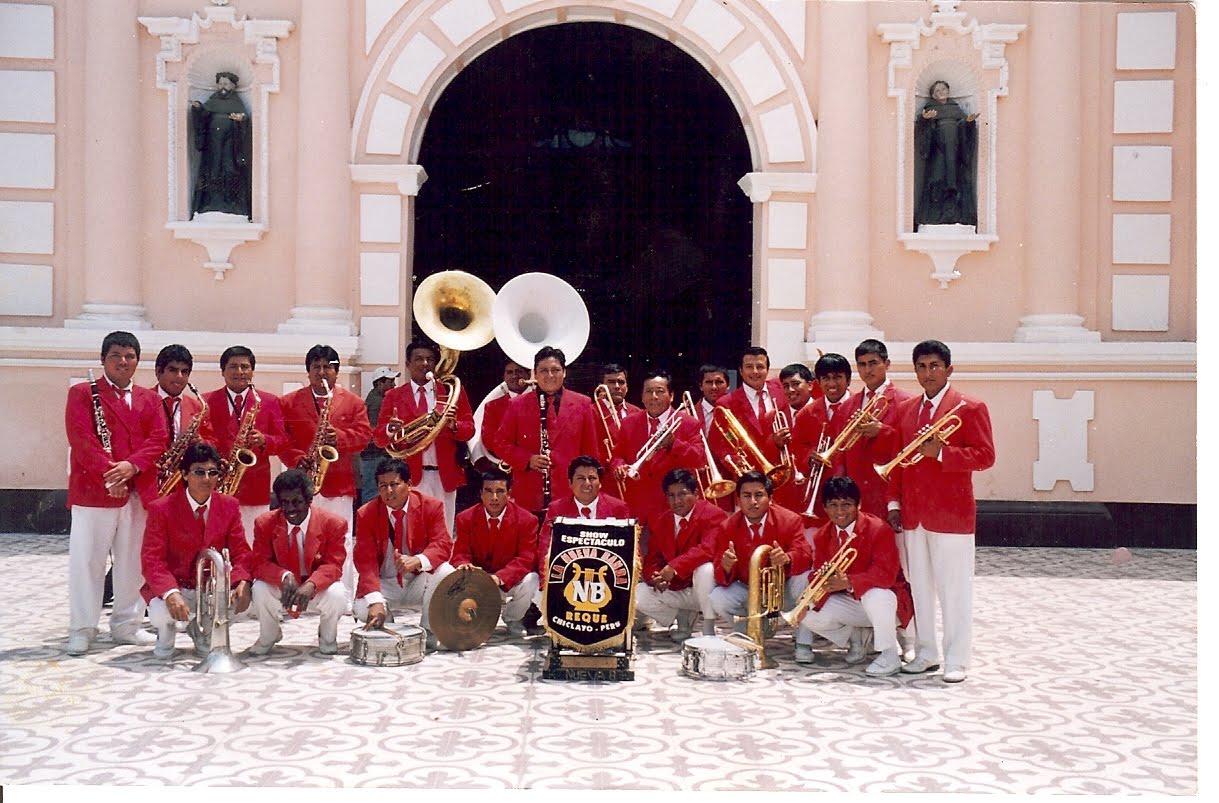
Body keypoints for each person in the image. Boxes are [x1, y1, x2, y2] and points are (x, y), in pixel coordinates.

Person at [886, 340, 995, 683]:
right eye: (922, 366)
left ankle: (957, 658)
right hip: (915, 513)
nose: (928, 373)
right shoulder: (906, 410)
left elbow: (985, 456)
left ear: (949, 369)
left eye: (935, 366)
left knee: (954, 588)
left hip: (951, 515)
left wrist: (943, 454)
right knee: (920, 587)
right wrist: (894, 503)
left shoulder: (970, 407)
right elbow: (898, 463)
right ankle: (927, 651)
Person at [64, 331, 169, 654]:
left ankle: (126, 624)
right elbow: (80, 438)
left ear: (137, 361)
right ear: (102, 360)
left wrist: (132, 467)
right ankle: (82, 627)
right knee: (88, 560)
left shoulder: (149, 398)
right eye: (115, 356)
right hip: (96, 489)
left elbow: (159, 438)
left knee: (133, 560)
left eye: (129, 356)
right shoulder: (82, 393)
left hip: (138, 489)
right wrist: (111, 471)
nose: (123, 362)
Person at [140, 442, 252, 659]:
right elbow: (152, 559)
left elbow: (242, 552)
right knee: (162, 613)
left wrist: (242, 582)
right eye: (199, 472)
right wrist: (170, 593)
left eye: (213, 472)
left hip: (209, 590)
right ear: (184, 474)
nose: (207, 479)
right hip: (177, 588)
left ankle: (202, 630)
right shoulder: (161, 508)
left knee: (241, 602)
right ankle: (167, 632)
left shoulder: (229, 506)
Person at [280, 345, 372, 608]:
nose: (322, 372)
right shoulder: (288, 402)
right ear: (308, 371)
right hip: (300, 487)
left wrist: (339, 438)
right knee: (298, 539)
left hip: (338, 486)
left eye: (328, 367)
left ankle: (340, 600)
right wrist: (297, 458)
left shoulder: (353, 403)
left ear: (337, 371)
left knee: (340, 543)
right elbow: (283, 441)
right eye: (316, 367)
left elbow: (365, 437)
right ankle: (295, 596)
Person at [793, 477, 913, 676]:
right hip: (854, 604)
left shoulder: (879, 528)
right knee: (807, 615)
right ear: (824, 508)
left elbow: (886, 575)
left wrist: (848, 581)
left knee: (876, 595)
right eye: (833, 505)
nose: (840, 512)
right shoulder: (822, 535)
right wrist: (825, 582)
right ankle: (856, 638)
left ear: (859, 505)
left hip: (889, 604)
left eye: (846, 504)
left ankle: (889, 654)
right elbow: (818, 572)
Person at [842, 339, 916, 658]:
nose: (868, 370)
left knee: (900, 571)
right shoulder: (852, 402)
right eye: (862, 364)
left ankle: (910, 635)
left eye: (873, 363)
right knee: (861, 566)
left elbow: (911, 446)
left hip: (889, 498)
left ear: (887, 363)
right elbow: (843, 450)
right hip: (859, 500)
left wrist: (882, 431)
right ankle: (868, 636)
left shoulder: (904, 400)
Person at [352, 457, 455, 650]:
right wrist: (375, 601)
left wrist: (418, 560)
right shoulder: (366, 513)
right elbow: (365, 562)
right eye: (383, 486)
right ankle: (388, 632)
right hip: (386, 583)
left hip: (418, 581)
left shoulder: (431, 506)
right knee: (360, 608)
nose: (388, 491)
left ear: (409, 484)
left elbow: (443, 544)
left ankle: (429, 630)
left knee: (445, 571)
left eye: (394, 484)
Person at [372, 339, 474, 534]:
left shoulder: (449, 392)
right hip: (410, 475)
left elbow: (469, 428)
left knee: (443, 530)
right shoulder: (394, 395)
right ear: (408, 363)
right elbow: (378, 438)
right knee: (413, 531)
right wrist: (390, 430)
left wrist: (454, 426)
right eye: (418, 359)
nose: (424, 364)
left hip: (444, 475)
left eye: (429, 359)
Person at [248, 470, 349, 655]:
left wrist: (312, 584)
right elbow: (259, 563)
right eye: (284, 502)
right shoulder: (264, 523)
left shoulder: (334, 523)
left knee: (337, 594)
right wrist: (283, 576)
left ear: (310, 500)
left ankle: (327, 636)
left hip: (315, 586)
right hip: (285, 586)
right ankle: (269, 634)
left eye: (297, 502)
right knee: (259, 588)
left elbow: (334, 565)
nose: (290, 509)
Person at [488, 346, 598, 516]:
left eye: (555, 370)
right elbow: (500, 443)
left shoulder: (583, 403)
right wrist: (527, 459)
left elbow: (591, 451)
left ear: (564, 372)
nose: (550, 376)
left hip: (571, 493)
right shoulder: (516, 405)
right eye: (544, 371)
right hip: (530, 493)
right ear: (535, 374)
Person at [199, 346, 289, 541]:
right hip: (216, 486)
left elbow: (283, 442)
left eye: (244, 367)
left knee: (253, 545)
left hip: (254, 490)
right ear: (222, 371)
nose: (239, 372)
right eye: (233, 366)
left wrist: (265, 440)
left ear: (252, 371)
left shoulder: (269, 401)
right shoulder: (205, 402)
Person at [708, 471, 810, 629]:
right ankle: (751, 635)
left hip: (783, 590)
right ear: (739, 500)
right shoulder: (727, 527)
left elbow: (805, 555)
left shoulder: (790, 520)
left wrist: (788, 558)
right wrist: (726, 567)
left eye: (759, 495)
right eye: (747, 496)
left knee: (806, 579)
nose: (753, 501)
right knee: (718, 598)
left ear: (770, 499)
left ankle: (802, 643)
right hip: (750, 590)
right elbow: (719, 573)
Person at [636, 469, 726, 641]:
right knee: (638, 595)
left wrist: (674, 567)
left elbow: (707, 549)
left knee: (706, 569)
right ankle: (682, 617)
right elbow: (652, 558)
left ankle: (708, 627)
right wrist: (654, 576)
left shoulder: (713, 514)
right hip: (677, 590)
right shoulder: (663, 520)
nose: (677, 501)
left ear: (696, 493)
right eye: (671, 496)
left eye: (682, 494)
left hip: (708, 591)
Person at [450, 469, 540, 638]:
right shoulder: (465, 518)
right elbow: (460, 553)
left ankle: (513, 618)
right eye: (489, 491)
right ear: (481, 493)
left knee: (532, 580)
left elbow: (526, 559)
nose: (494, 498)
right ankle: (475, 618)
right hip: (478, 579)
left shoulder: (527, 519)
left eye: (500, 491)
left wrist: (500, 577)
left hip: (507, 580)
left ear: (509, 493)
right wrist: (464, 565)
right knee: (452, 574)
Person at [610, 369, 702, 523]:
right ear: (642, 397)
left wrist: (674, 444)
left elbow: (699, 459)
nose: (654, 397)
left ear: (671, 396)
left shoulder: (688, 423)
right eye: (649, 391)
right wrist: (619, 466)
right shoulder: (628, 423)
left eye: (659, 391)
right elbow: (617, 456)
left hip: (673, 509)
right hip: (638, 506)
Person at [708, 347, 790, 493]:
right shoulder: (726, 403)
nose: (755, 372)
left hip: (784, 475)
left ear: (767, 369)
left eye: (760, 367)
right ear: (740, 371)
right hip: (749, 477)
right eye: (749, 367)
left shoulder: (782, 390)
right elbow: (719, 443)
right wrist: (735, 462)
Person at [790, 353, 854, 525]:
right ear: (818, 382)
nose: (832, 384)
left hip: (855, 493)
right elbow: (797, 446)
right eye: (826, 378)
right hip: (821, 497)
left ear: (848, 380)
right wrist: (810, 455)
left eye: (838, 377)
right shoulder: (806, 413)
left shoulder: (859, 408)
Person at [913, 80, 978, 228]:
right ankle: (933, 216)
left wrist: (967, 123)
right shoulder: (929, 108)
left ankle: (956, 215)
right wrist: (926, 120)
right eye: (937, 91)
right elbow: (923, 131)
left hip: (954, 152)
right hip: (938, 151)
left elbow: (962, 127)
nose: (940, 92)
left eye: (943, 89)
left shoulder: (956, 109)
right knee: (937, 177)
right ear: (933, 95)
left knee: (956, 178)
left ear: (948, 90)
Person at [190, 71, 251, 219]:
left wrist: (240, 120)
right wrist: (198, 108)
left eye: (226, 84)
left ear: (232, 86)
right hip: (213, 144)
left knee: (230, 168)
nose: (223, 86)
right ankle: (210, 203)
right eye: (221, 83)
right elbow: (203, 116)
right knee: (213, 169)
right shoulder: (212, 100)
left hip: (231, 143)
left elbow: (244, 119)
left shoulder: (237, 102)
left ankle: (232, 203)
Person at [468, 359, 531, 472]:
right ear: (504, 377)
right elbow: (489, 439)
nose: (514, 376)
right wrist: (520, 455)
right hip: (508, 467)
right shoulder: (492, 406)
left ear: (528, 374)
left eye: (519, 371)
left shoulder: (541, 401)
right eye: (509, 372)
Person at [359, 366, 399, 505]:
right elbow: (375, 429)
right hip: (374, 454)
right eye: (390, 381)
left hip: (373, 453)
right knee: (372, 492)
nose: (394, 385)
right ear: (379, 383)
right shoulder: (378, 402)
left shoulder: (375, 397)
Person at [152, 344, 203, 444]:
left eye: (184, 371)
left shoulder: (197, 407)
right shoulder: (142, 402)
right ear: (158, 371)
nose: (179, 376)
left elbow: (212, 441)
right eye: (173, 370)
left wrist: (201, 441)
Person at [694, 364, 730, 436]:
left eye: (719, 382)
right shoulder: (689, 414)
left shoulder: (738, 412)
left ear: (728, 386)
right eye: (709, 382)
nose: (714, 387)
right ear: (701, 386)